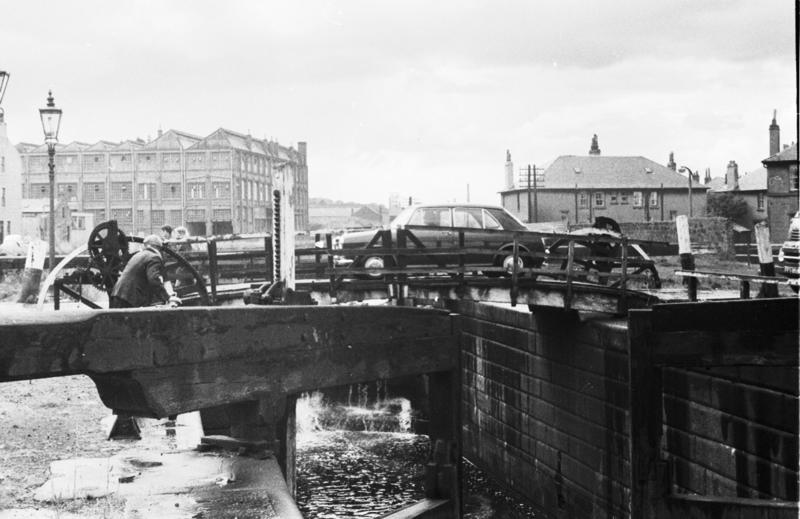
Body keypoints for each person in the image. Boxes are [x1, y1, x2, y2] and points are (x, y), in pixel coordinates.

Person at [110, 234, 181, 308]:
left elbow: (162, 277)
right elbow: (153, 279)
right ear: (158, 247)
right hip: (131, 298)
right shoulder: (154, 257)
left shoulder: (139, 255)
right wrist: (167, 298)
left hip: (119, 294)